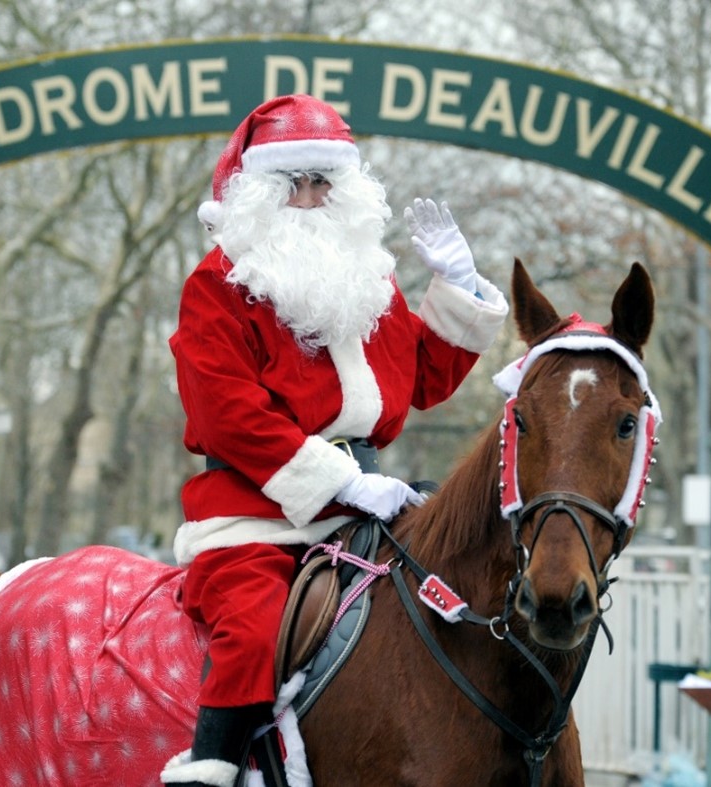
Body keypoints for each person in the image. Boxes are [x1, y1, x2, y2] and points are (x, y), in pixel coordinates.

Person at [160, 94, 509, 787]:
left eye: (325, 182)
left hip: (368, 510)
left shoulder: (364, 281)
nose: (314, 198)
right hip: (254, 513)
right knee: (253, 630)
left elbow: (421, 378)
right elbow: (230, 413)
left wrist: (459, 286)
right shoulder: (217, 287)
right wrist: (342, 481)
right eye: (296, 183)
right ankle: (214, 767)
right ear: (259, 193)